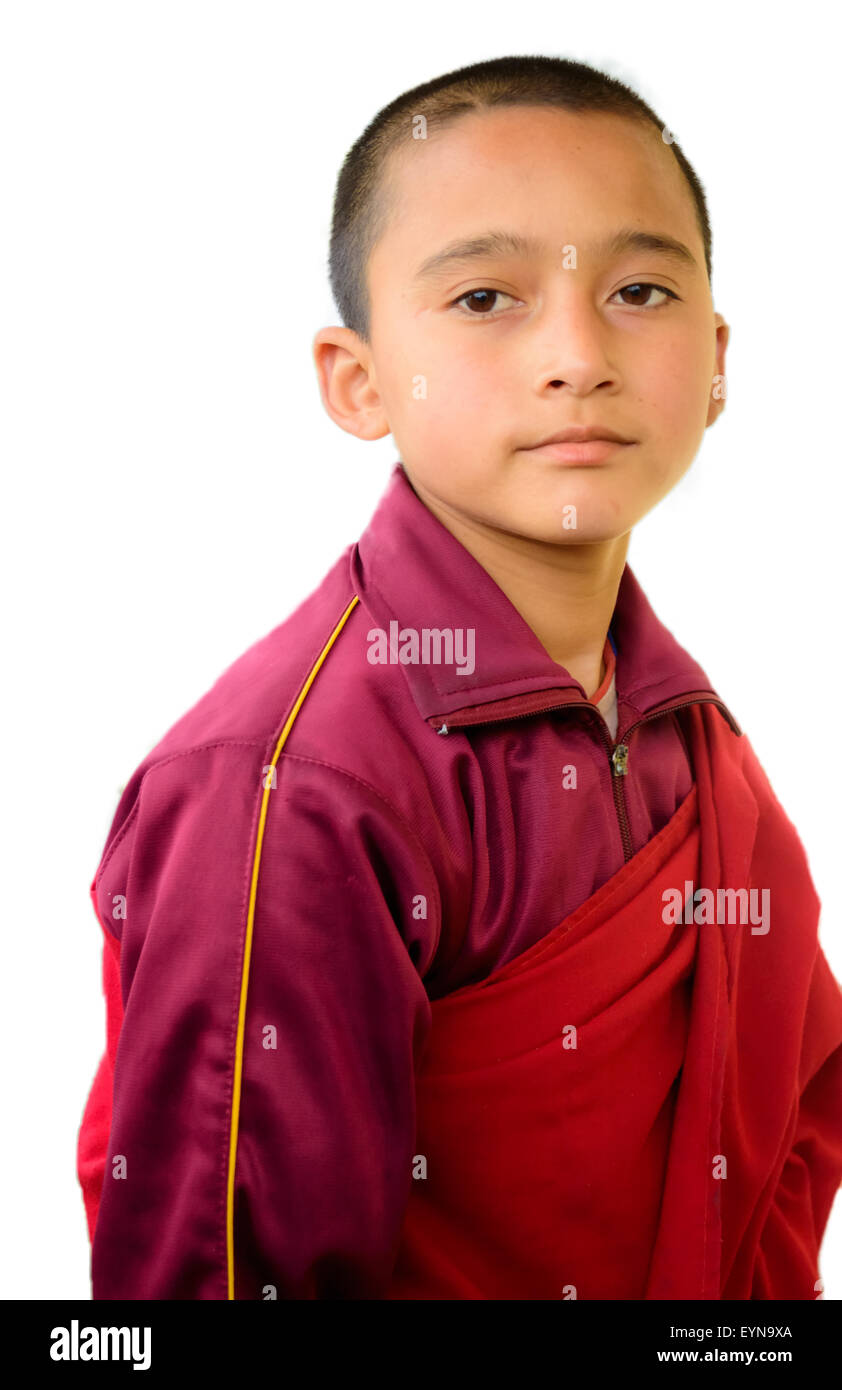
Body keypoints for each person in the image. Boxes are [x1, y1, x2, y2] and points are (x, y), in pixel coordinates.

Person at [77, 53, 842, 1300]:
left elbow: (786, 1135)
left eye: (637, 289)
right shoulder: (294, 779)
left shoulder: (682, 731)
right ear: (358, 380)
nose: (576, 354)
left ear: (714, 359)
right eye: (487, 298)